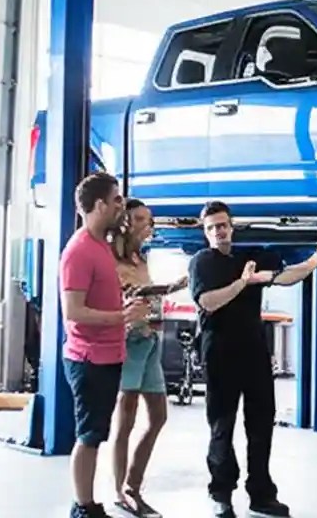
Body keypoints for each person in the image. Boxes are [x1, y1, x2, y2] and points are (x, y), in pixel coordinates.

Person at [189, 201, 317, 518]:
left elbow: (285, 276)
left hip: (254, 350)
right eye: (212, 227)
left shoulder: (251, 257)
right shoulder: (202, 262)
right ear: (205, 232)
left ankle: (261, 494)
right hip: (219, 352)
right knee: (221, 425)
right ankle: (221, 493)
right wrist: (243, 282)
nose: (218, 232)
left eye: (222, 225)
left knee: (261, 424)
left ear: (231, 226)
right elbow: (208, 302)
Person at [59, 172, 150, 518]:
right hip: (89, 359)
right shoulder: (79, 251)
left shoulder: (101, 246)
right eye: (116, 200)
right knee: (89, 435)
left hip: (108, 356)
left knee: (96, 432)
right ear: (99, 205)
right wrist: (122, 316)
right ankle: (82, 507)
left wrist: (123, 305)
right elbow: (73, 311)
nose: (120, 206)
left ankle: (88, 504)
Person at [109, 198, 188, 517]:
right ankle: (120, 492)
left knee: (158, 416)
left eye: (150, 219)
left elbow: (142, 293)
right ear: (126, 223)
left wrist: (170, 288)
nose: (149, 225)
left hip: (150, 340)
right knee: (125, 420)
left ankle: (133, 485)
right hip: (128, 343)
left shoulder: (141, 259)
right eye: (142, 219)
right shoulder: (111, 259)